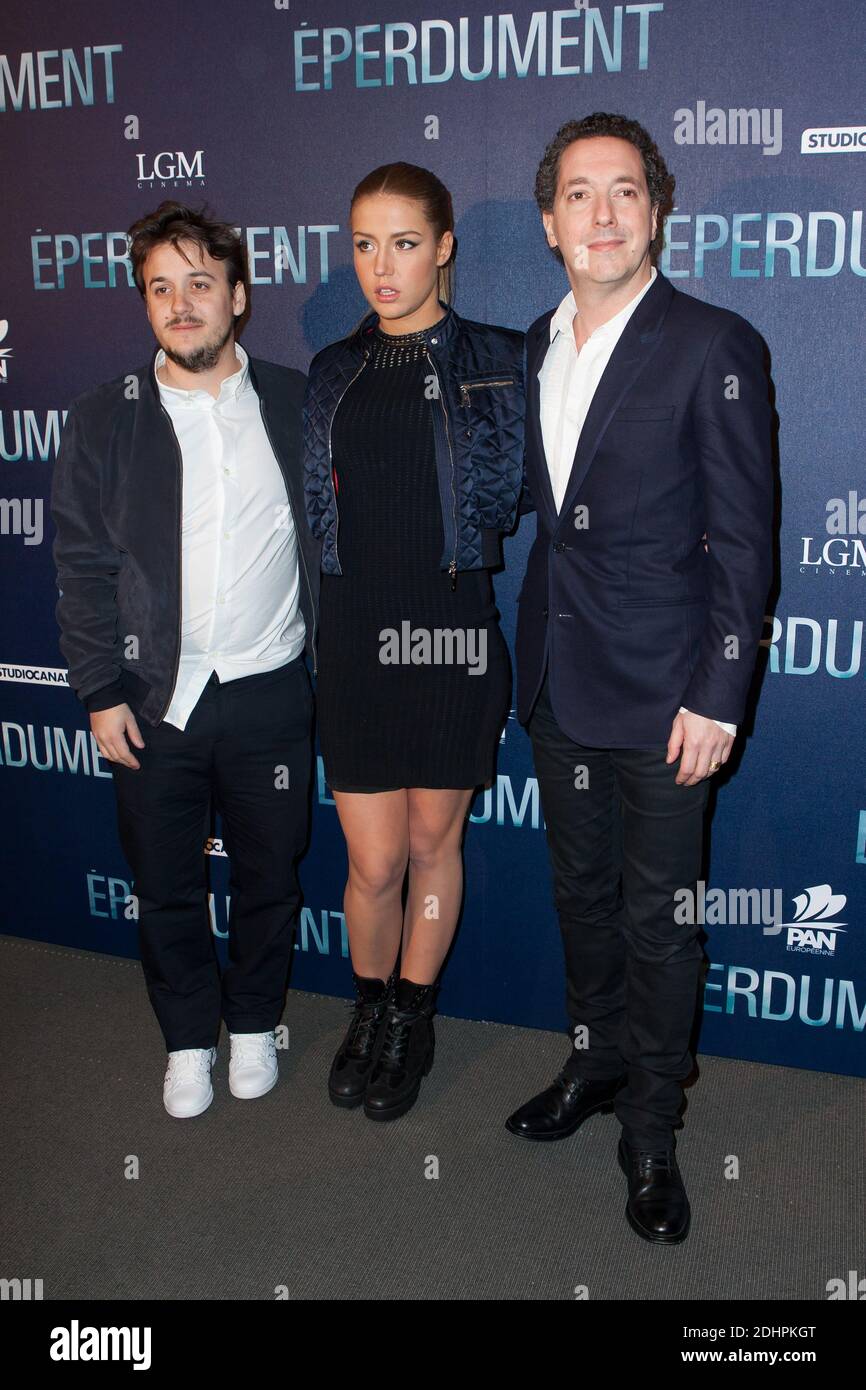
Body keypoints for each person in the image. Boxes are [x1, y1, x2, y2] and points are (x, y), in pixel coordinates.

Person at [507, 114, 773, 1242]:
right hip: (561, 684)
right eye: (579, 193)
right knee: (580, 902)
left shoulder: (711, 342)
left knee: (659, 922)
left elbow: (745, 539)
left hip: (669, 701)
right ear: (548, 219)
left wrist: (717, 694)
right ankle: (597, 1062)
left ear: (654, 211)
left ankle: (652, 1131)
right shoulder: (537, 341)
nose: (601, 214)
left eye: (623, 192)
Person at [51, 201, 320, 1119]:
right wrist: (97, 689)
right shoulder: (102, 420)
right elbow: (81, 568)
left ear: (237, 297)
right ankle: (186, 1041)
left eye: (198, 284)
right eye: (160, 288)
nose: (179, 304)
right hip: (154, 697)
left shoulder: (295, 401)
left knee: (269, 875)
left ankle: (252, 1025)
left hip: (271, 687)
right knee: (164, 883)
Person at [303, 163, 524, 1121]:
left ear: (443, 248)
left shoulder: (501, 360)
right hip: (354, 636)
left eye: (402, 243)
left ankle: (413, 1017)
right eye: (363, 244)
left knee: (436, 843)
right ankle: (369, 1008)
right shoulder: (331, 371)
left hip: (448, 634)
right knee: (372, 863)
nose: (380, 266)